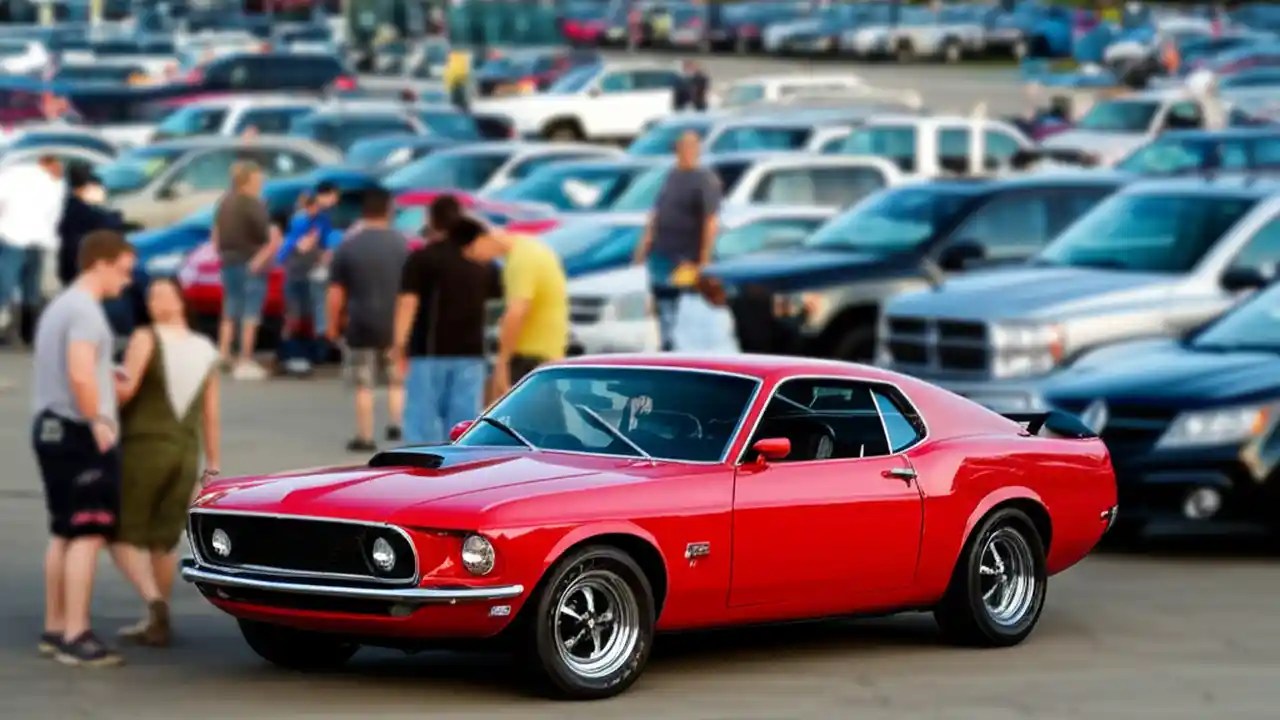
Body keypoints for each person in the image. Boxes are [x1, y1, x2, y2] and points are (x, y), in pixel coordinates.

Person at [31, 230, 136, 667]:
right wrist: (98, 420)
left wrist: (106, 369)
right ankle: (77, 633)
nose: (127, 281)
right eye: (124, 271)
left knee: (64, 532)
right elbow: (77, 372)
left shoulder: (62, 306)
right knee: (89, 533)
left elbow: (76, 363)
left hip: (50, 427)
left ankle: (56, 628)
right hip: (77, 431)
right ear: (100, 263)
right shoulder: (87, 313)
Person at [108, 277, 219, 647]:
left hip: (145, 446)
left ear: (178, 301)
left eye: (162, 295)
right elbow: (210, 413)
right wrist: (212, 465)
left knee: (120, 532)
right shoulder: (205, 348)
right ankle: (158, 620)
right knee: (163, 540)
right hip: (186, 453)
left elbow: (126, 390)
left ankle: (153, 602)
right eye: (152, 296)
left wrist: (98, 379)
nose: (156, 302)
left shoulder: (145, 339)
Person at [394, 196, 499, 444]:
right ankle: (460, 471)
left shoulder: (422, 258)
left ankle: (421, 472)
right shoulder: (483, 263)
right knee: (463, 424)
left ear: (431, 220)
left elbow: (408, 303)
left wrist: (399, 343)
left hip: (429, 351)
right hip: (472, 351)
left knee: (423, 421)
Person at [326, 189, 408, 451]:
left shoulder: (348, 246)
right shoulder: (402, 246)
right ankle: (397, 426)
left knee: (364, 383)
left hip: (360, 324)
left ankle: (365, 436)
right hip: (395, 324)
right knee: (397, 379)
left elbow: (336, 292)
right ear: (388, 211)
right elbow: (411, 292)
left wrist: (332, 325)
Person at [632, 130, 721, 351]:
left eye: (691, 148)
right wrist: (643, 248)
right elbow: (656, 214)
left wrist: (704, 260)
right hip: (661, 254)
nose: (687, 153)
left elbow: (710, 221)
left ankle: (675, 349)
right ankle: (665, 345)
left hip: (686, 258)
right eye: (683, 148)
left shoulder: (704, 180)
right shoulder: (672, 176)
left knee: (680, 309)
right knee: (660, 305)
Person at [462, 226, 568, 397]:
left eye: (473, 252)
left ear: (481, 239)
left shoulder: (521, 260)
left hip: (530, 356)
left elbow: (516, 312)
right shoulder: (531, 249)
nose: (479, 260)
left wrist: (502, 362)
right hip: (547, 350)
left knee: (508, 415)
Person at [213, 161, 277, 380]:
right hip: (251, 262)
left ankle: (223, 354)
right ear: (249, 181)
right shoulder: (253, 204)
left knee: (230, 308)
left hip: (228, 260)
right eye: (258, 179)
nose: (261, 183)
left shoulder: (224, 202)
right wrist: (261, 260)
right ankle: (245, 359)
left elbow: (215, 233)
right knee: (251, 312)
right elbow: (267, 237)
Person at [56, 166, 135, 338]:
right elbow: (109, 223)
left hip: (71, 264)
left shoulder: (70, 206)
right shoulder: (82, 210)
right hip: (81, 265)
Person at [0, 154, 65, 346]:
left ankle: (9, 328)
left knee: (7, 284)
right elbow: (54, 215)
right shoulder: (54, 184)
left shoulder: (15, 175)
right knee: (30, 286)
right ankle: (29, 332)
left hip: (15, 237)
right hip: (35, 239)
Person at [277, 182, 339, 375]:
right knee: (298, 313)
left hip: (307, 271)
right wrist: (311, 249)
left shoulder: (320, 220)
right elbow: (295, 248)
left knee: (306, 312)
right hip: (299, 272)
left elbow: (322, 244)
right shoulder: (302, 221)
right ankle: (290, 351)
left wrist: (322, 254)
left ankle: (303, 351)